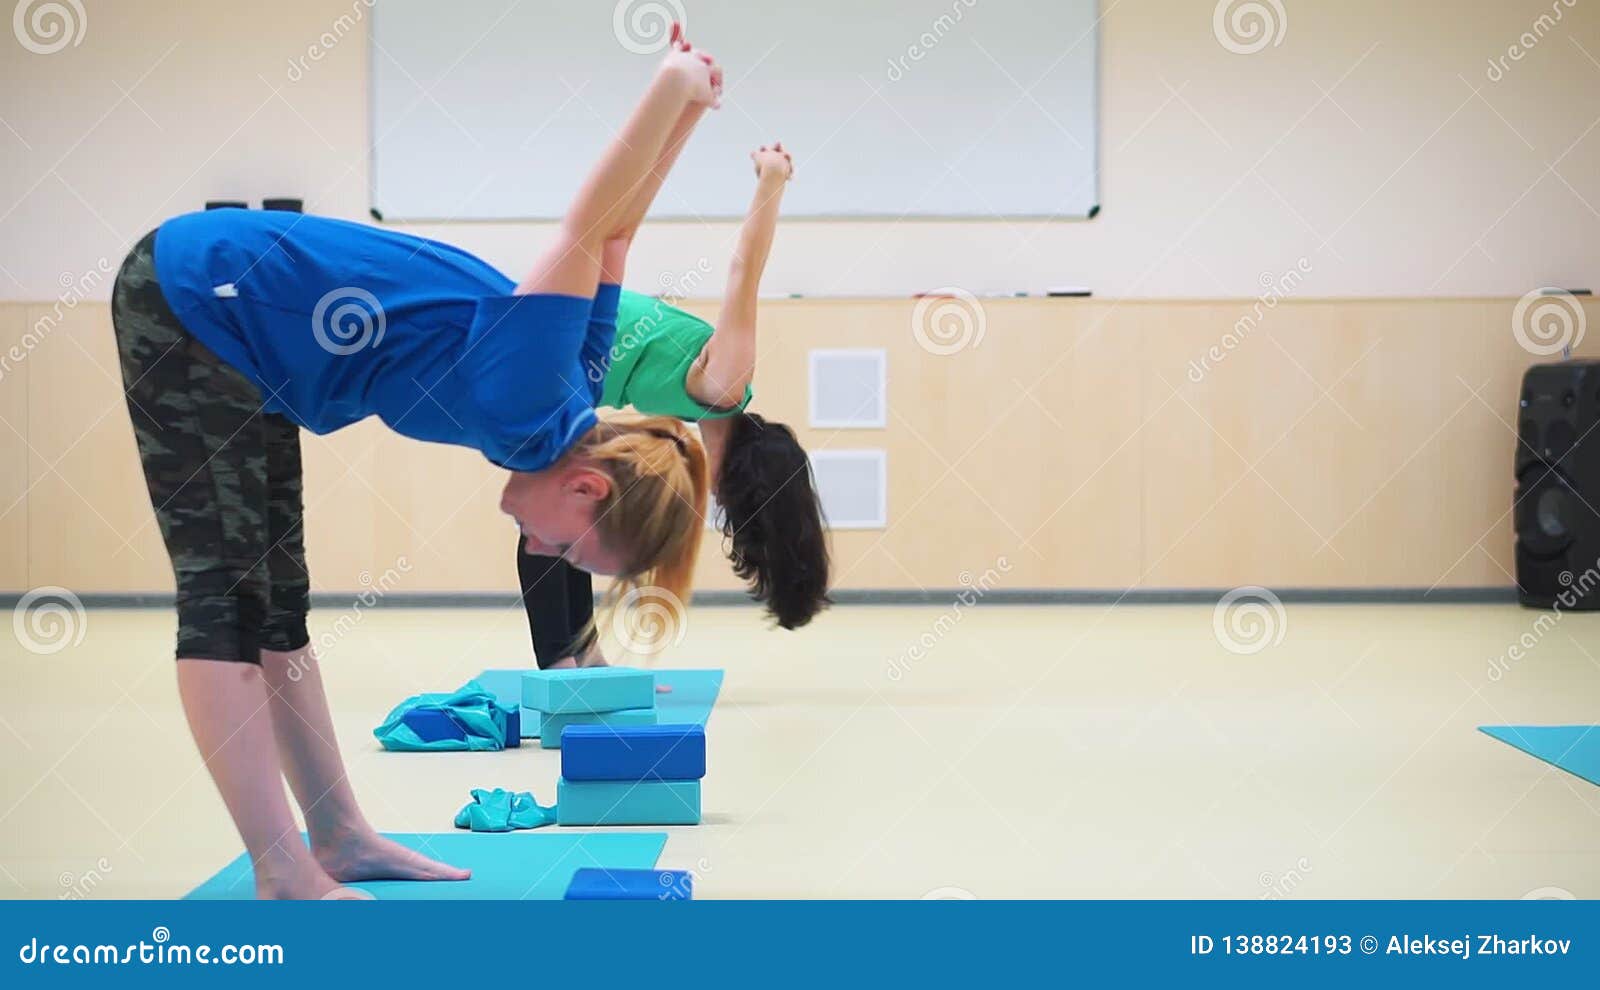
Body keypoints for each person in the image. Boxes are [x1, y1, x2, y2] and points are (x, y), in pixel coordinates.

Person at [111, 37, 721, 898]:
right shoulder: (528, 401)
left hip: (258, 347)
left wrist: (689, 116)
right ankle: (282, 869)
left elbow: (617, 234)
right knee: (225, 597)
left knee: (278, 600)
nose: (543, 553)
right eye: (569, 548)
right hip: (198, 301)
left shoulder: (576, 390)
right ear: (587, 486)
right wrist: (670, 85)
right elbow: (587, 222)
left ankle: (338, 836)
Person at [518, 133, 830, 669]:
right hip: (549, 338)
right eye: (732, 507)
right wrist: (772, 178)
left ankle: (583, 658)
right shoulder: (726, 384)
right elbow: (745, 271)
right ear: (742, 486)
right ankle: (564, 666)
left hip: (563, 361)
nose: (717, 504)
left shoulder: (699, 416)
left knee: (571, 507)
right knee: (547, 517)